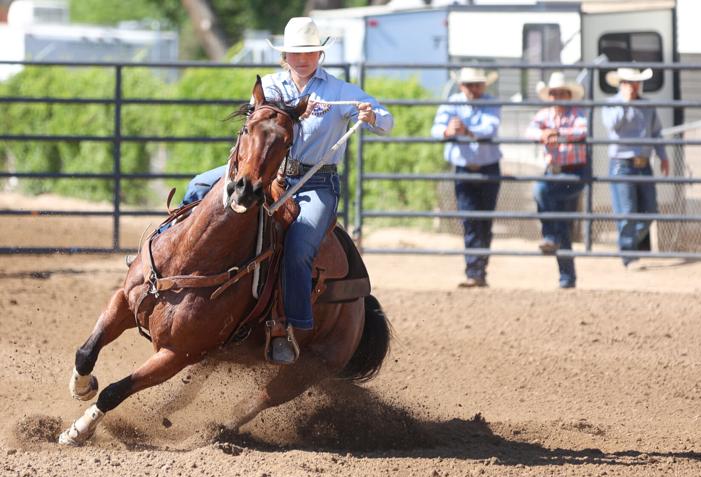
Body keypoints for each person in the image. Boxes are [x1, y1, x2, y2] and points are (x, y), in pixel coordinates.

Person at [179, 17, 393, 363]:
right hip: (265, 173)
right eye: (296, 52)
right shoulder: (273, 87)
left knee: (298, 247)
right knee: (197, 188)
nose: (303, 58)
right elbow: (258, 121)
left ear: (319, 53)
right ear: (285, 56)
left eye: (309, 51)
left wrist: (370, 115)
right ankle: (172, 263)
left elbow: (386, 119)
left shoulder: (338, 91)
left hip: (316, 182)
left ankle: (290, 327)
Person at [431, 67, 501, 288]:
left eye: (476, 84)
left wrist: (467, 130)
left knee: (484, 220)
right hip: (465, 167)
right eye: (469, 85)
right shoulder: (452, 102)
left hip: (487, 166)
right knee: (470, 219)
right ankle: (475, 270)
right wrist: (449, 131)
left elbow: (491, 127)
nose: (473, 89)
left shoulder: (491, 102)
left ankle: (479, 268)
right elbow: (436, 129)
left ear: (483, 85)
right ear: (462, 86)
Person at [526, 72, 589, 289]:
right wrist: (543, 135)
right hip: (555, 172)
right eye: (555, 93)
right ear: (550, 95)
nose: (558, 96)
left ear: (569, 95)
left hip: (574, 172)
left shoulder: (577, 113)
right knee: (563, 225)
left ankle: (549, 235)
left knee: (541, 190)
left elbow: (582, 130)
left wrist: (554, 133)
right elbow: (530, 131)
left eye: (562, 93)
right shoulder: (543, 115)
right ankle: (567, 277)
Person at [602, 67, 669, 267]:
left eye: (635, 82)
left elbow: (656, 132)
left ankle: (626, 243)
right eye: (629, 82)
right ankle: (629, 255)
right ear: (621, 84)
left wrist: (663, 155)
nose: (633, 86)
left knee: (650, 210)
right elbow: (612, 125)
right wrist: (625, 103)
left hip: (643, 164)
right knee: (628, 210)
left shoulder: (647, 106)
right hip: (622, 164)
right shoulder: (611, 104)